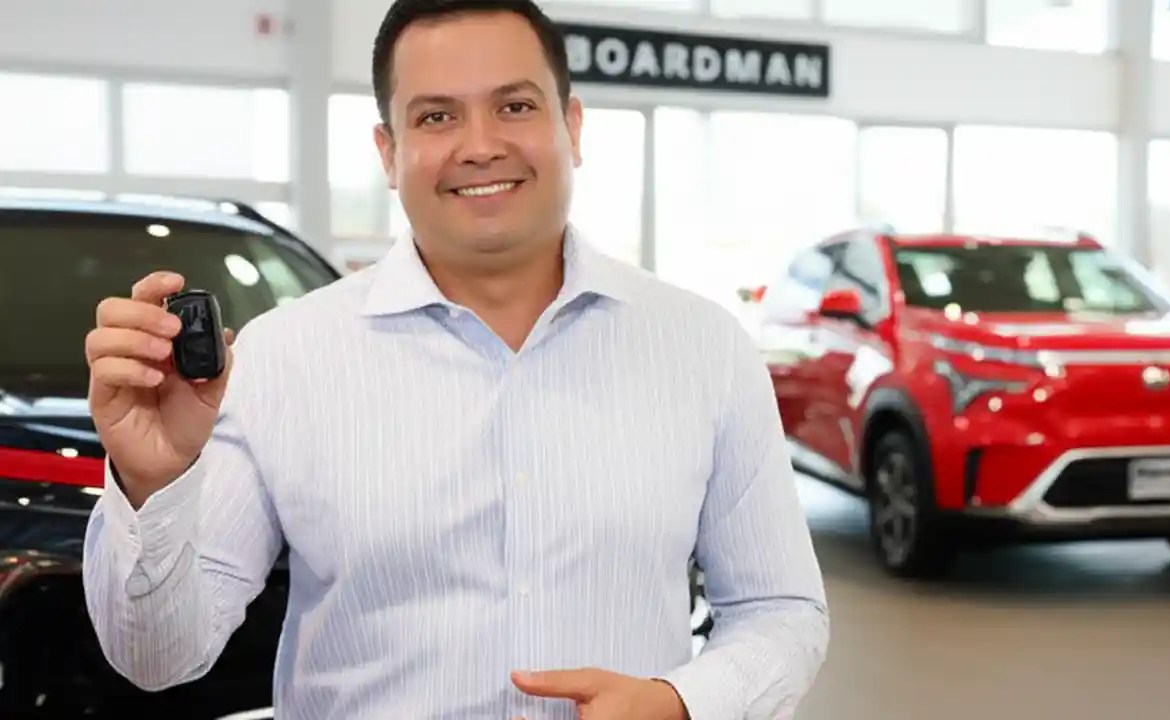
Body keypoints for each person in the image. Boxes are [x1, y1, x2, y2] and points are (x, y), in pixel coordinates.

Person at [80, 0, 829, 718]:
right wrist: (154, 484)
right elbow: (158, 660)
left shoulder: (702, 348)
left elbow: (780, 612)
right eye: (436, 115)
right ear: (389, 150)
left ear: (571, 126)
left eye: (515, 106)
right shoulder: (285, 358)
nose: (479, 145)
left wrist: (681, 703)